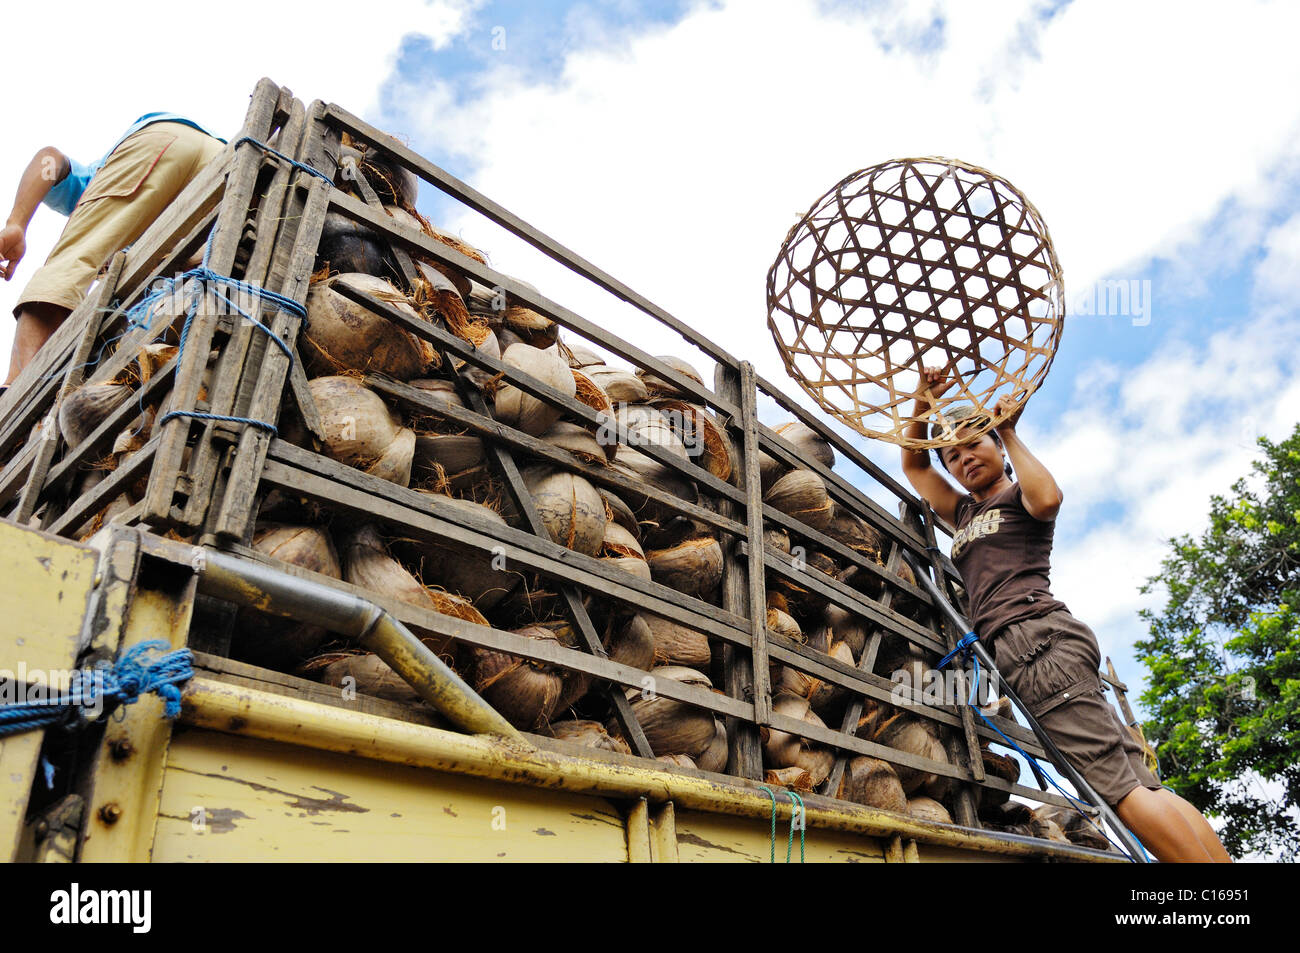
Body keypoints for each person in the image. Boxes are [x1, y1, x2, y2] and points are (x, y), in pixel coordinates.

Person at [900, 365, 1231, 862]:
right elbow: (914, 466)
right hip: (1042, 644)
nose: (964, 458)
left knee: (1117, 787)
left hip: (1035, 641)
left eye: (976, 444)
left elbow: (1049, 497)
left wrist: (1009, 429)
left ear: (997, 447)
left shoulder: (1016, 496)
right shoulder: (964, 512)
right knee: (1140, 780)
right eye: (953, 455)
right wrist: (922, 400)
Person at [0, 113, 226, 392]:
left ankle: (14, 387)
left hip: (162, 144)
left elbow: (50, 159)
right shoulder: (144, 251)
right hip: (224, 162)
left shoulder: (89, 182)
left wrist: (16, 224)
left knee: (75, 258)